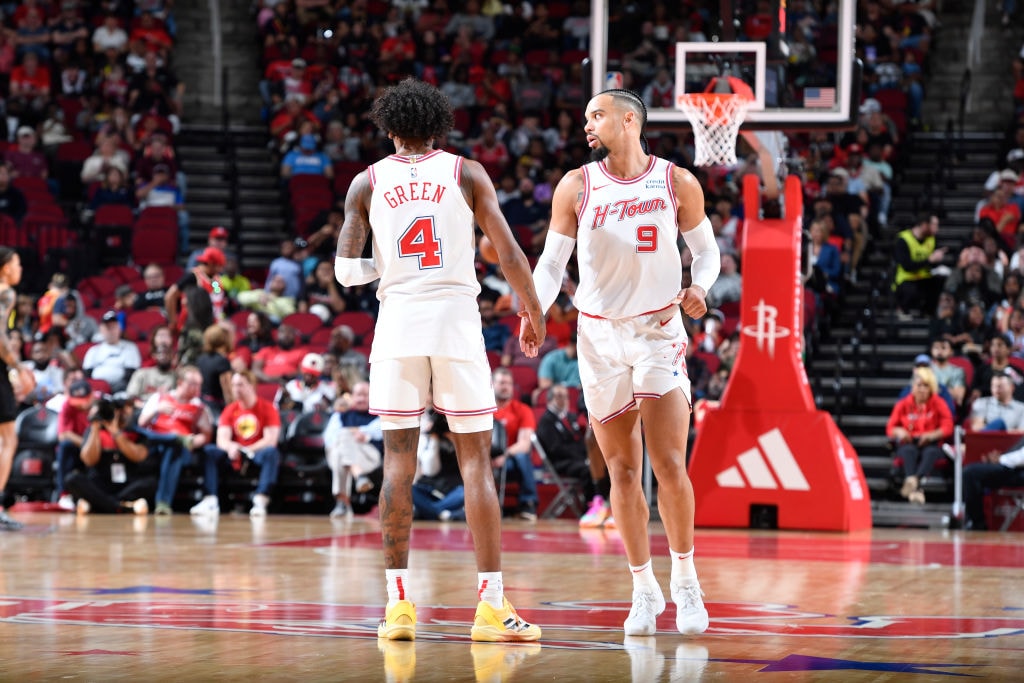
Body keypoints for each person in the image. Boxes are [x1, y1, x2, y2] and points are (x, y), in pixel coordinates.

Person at [333, 78, 545, 643]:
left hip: (397, 325)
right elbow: (509, 252)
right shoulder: (466, 172)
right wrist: (533, 310)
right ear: (439, 127)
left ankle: (398, 606)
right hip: (455, 322)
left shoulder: (365, 182)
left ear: (389, 129)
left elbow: (346, 273)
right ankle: (491, 607)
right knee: (475, 463)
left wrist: (389, 265)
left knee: (397, 465)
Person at [528, 88, 714, 636]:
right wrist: (536, 309)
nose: (587, 125)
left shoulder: (677, 182)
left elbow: (707, 252)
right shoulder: (576, 185)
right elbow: (551, 263)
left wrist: (700, 287)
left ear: (629, 119)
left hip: (658, 330)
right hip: (598, 338)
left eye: (597, 115)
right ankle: (643, 589)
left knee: (669, 463)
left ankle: (686, 581)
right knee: (623, 470)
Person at [189, 370, 281, 519]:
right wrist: (231, 447)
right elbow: (222, 440)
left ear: (251, 386)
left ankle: (261, 499)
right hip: (234, 454)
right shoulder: (230, 409)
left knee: (271, 452)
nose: (236, 389)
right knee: (210, 451)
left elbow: (270, 440)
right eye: (234, 385)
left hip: (256, 452)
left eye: (240, 385)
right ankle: (210, 500)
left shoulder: (267, 408)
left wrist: (247, 449)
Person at [136, 365, 213, 515]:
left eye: (199, 384)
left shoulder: (200, 408)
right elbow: (141, 423)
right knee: (166, 441)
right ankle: (176, 438)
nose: (197, 389)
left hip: (180, 450)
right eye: (192, 384)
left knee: (173, 448)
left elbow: (206, 436)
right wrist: (157, 410)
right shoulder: (159, 398)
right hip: (155, 443)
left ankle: (163, 503)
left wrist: (193, 441)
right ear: (180, 383)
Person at [66, 396, 154, 516]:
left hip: (126, 485)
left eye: (124, 410)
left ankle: (100, 504)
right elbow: (89, 460)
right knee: (72, 479)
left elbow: (139, 456)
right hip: (100, 483)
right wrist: (95, 429)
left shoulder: (135, 432)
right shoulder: (94, 430)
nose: (121, 414)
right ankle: (120, 506)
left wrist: (116, 432)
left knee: (151, 482)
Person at [885, 366, 955, 505]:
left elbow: (948, 426)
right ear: (913, 387)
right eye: (919, 385)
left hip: (931, 442)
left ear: (931, 388)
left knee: (931, 453)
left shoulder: (939, 402)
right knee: (908, 451)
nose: (922, 389)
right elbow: (890, 427)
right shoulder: (903, 404)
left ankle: (913, 482)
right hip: (909, 441)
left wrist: (932, 435)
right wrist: (900, 431)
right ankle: (916, 488)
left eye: (926, 386)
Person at [0, 249, 33, 530]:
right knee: (8, 440)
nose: (20, 269)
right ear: (5, 268)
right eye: (17, 264)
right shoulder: (5, 292)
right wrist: (18, 367)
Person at [323, 382, 383, 518]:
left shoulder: (380, 415)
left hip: (368, 456)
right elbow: (329, 438)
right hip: (342, 454)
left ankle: (341, 501)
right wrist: (356, 433)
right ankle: (358, 475)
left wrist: (353, 433)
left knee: (342, 443)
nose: (361, 399)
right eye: (358, 395)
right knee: (339, 449)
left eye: (365, 395)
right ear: (352, 397)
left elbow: (377, 432)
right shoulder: (340, 415)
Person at [491, 366, 541, 520]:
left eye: (509, 383)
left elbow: (524, 444)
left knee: (522, 456)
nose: (505, 387)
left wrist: (504, 456)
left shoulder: (523, 410)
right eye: (502, 383)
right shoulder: (484, 410)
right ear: (492, 384)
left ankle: (528, 504)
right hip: (484, 460)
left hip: (509, 462)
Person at [892, 212, 947, 318]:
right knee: (911, 289)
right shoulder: (903, 239)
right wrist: (929, 260)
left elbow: (932, 264)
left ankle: (928, 314)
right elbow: (907, 266)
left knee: (939, 283)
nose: (936, 229)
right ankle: (903, 310)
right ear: (924, 225)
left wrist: (937, 261)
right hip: (906, 278)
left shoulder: (931, 239)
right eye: (933, 225)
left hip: (924, 277)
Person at [962, 438, 1024, 530]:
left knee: (971, 473)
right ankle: (975, 521)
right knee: (972, 473)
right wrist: (997, 457)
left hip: (1018, 470)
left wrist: (1000, 459)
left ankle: (977, 523)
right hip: (1010, 465)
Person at [82, 311, 142, 393]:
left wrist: (114, 390)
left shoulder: (130, 348)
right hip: (96, 390)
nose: (111, 331)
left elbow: (131, 373)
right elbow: (87, 374)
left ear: (119, 328)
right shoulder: (93, 350)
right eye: (107, 328)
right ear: (101, 330)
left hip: (122, 389)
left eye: (113, 327)